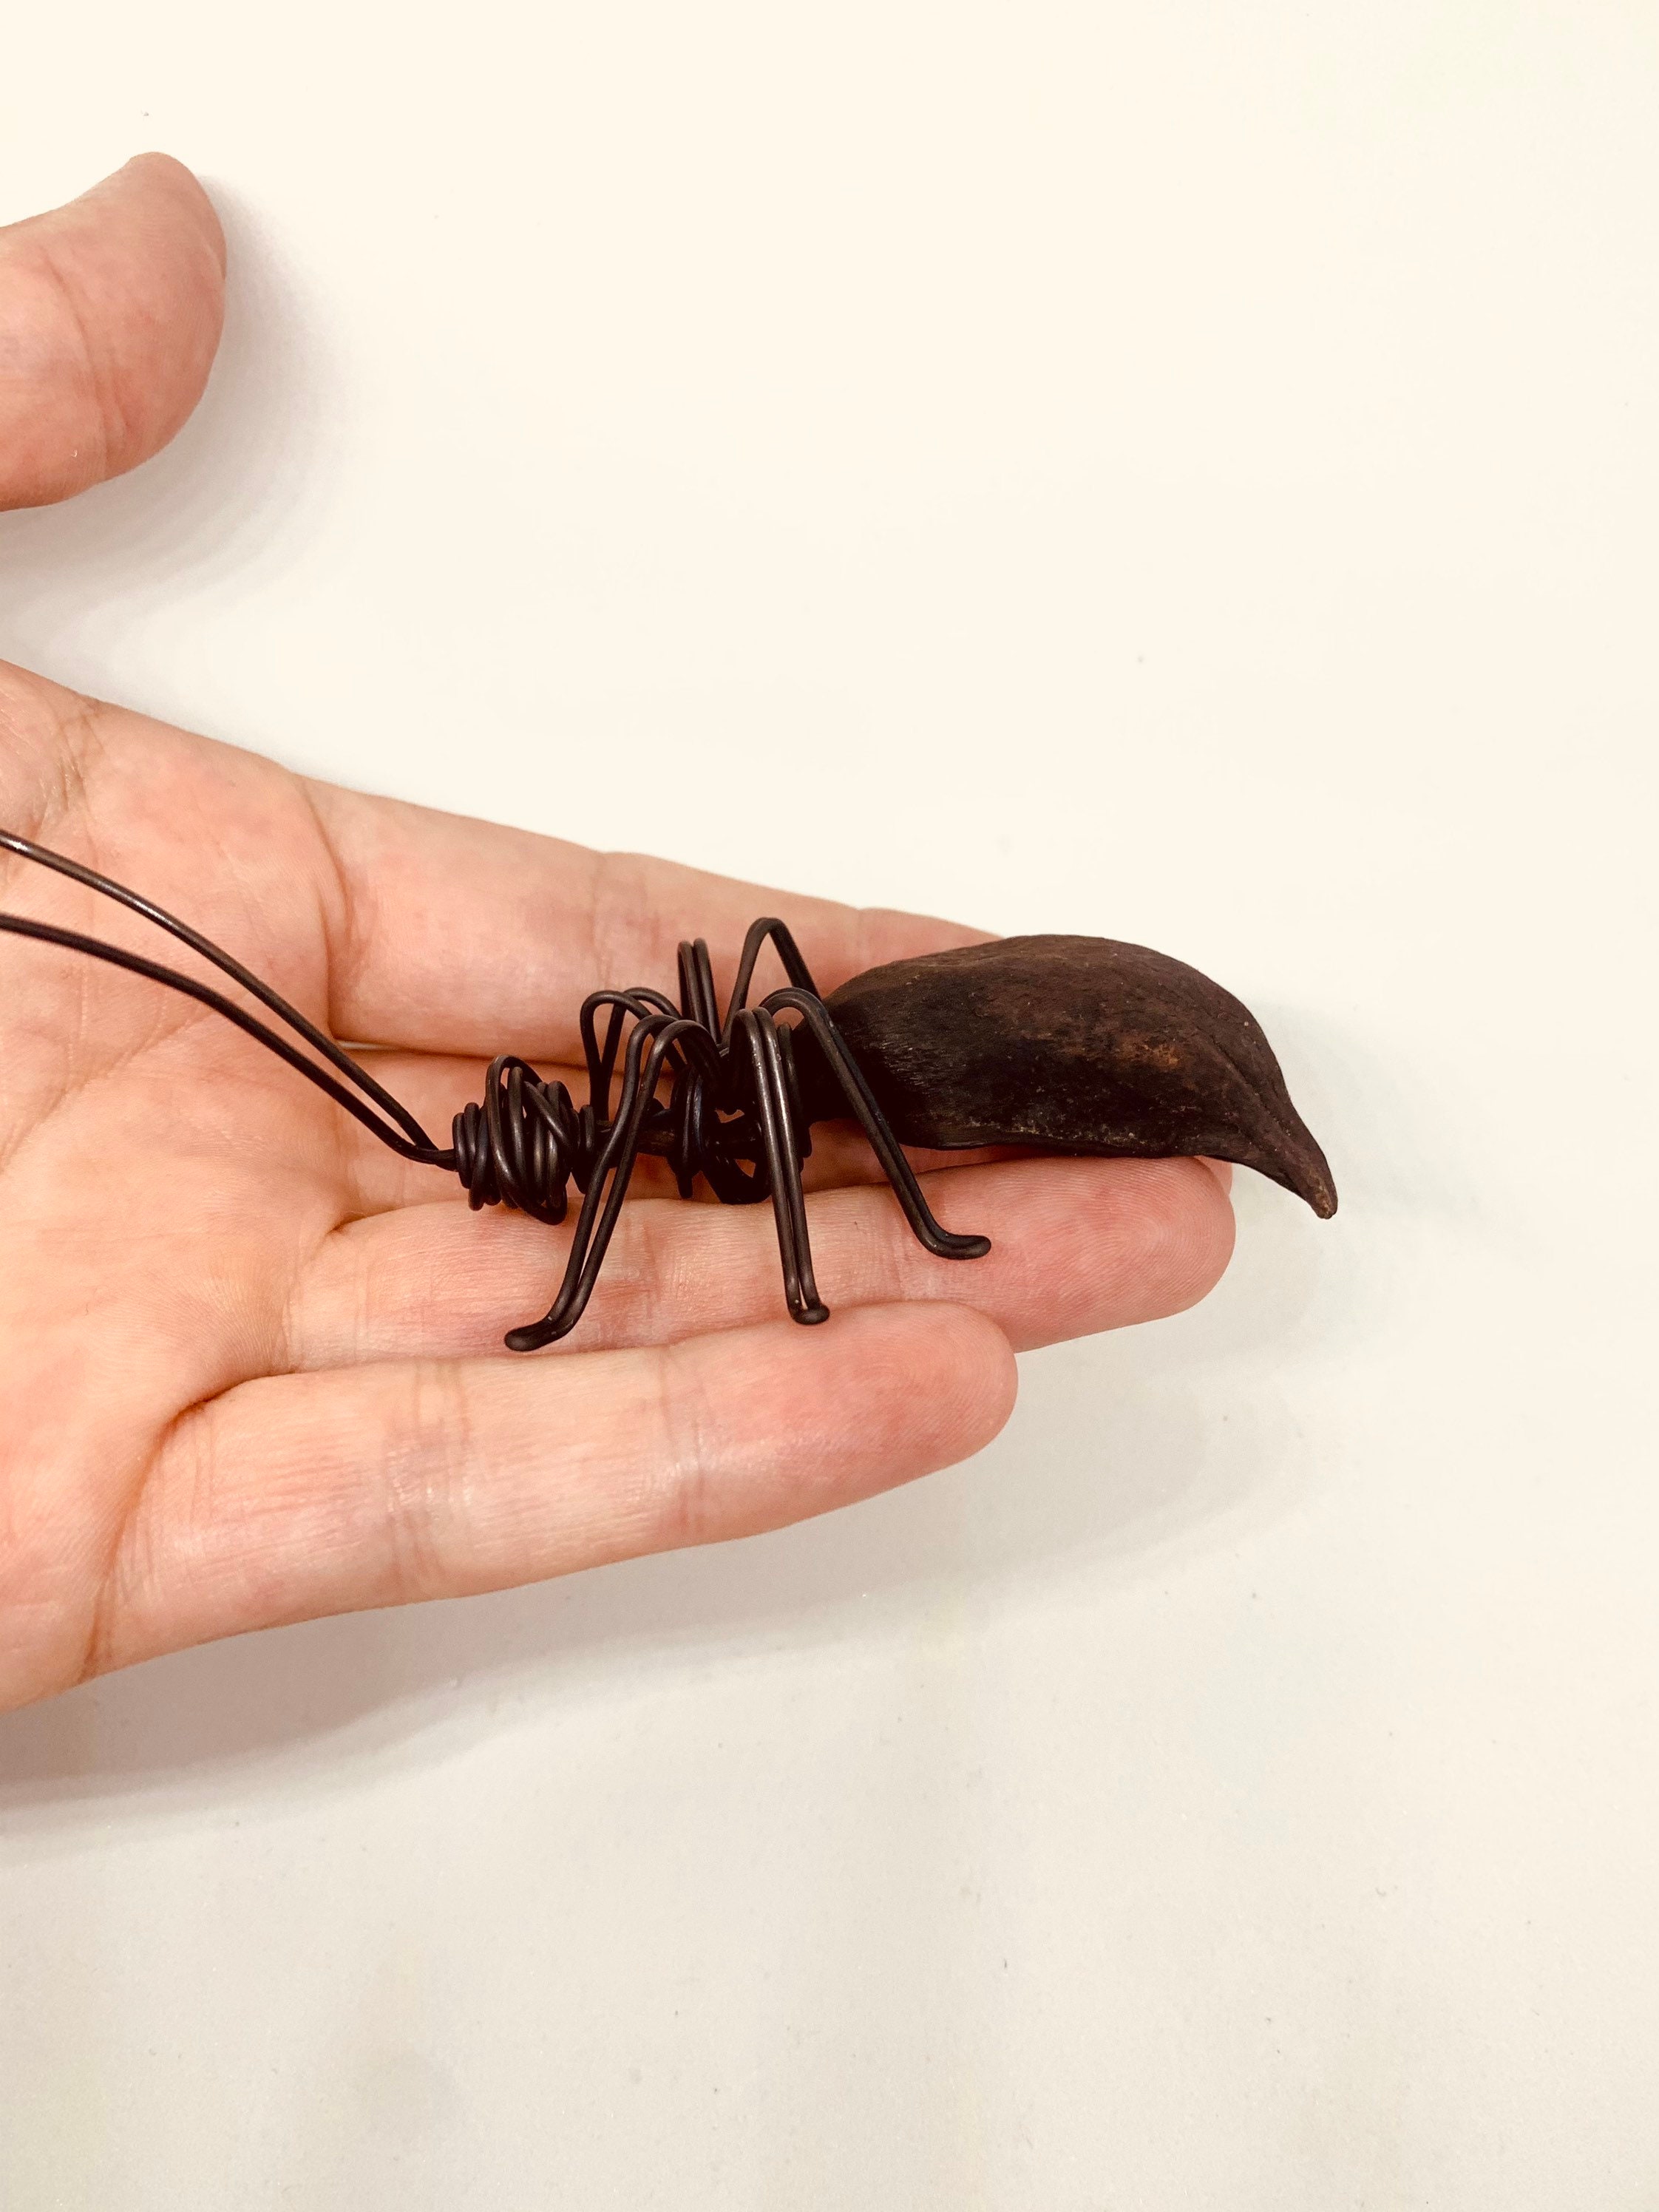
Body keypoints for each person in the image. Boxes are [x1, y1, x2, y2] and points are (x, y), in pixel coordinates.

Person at [0, 157, 1235, 1714]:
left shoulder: (677, 1070)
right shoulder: (596, 1105)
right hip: (758, 1083)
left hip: (838, 1063)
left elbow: (663, 1034)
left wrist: (744, 1265)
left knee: (720, 1002)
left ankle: (902, 1224)